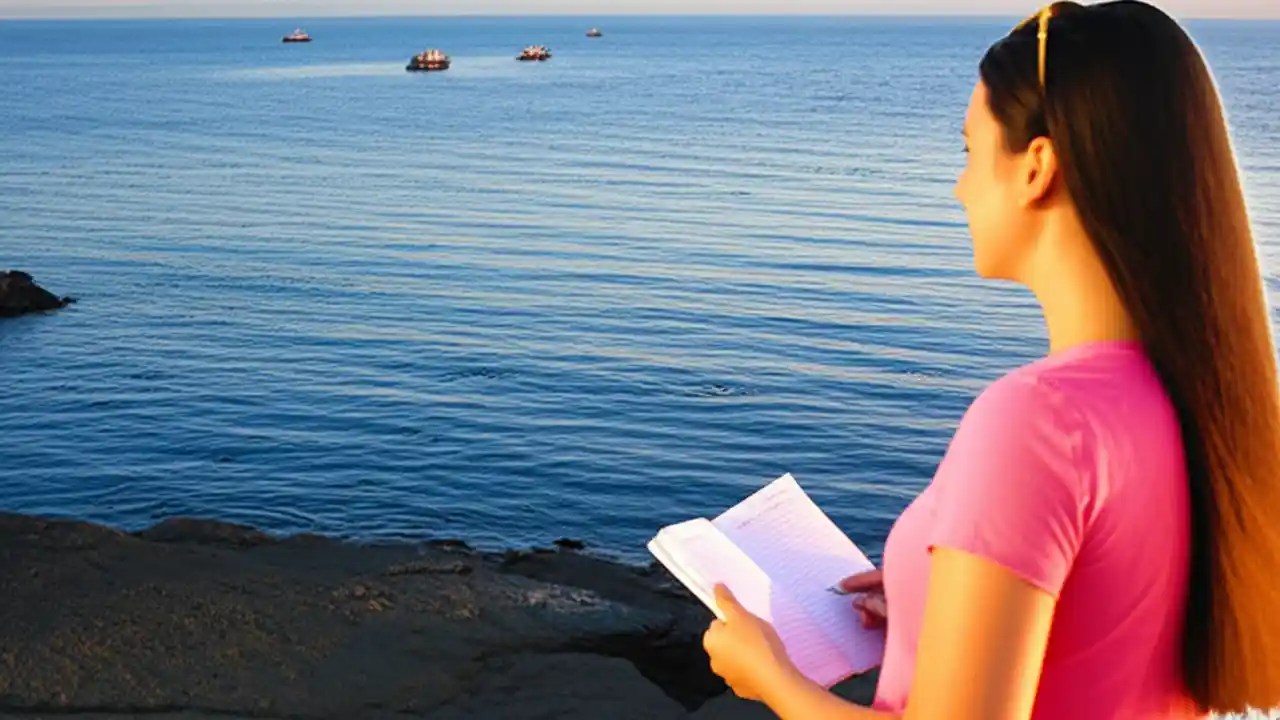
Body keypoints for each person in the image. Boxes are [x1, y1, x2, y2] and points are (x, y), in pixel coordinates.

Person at [700, 2, 1280, 719]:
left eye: (970, 151)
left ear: (1037, 167)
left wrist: (774, 679)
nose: (959, 188)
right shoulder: (1197, 403)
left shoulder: (1039, 419)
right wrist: (930, 597)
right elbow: (1108, 623)